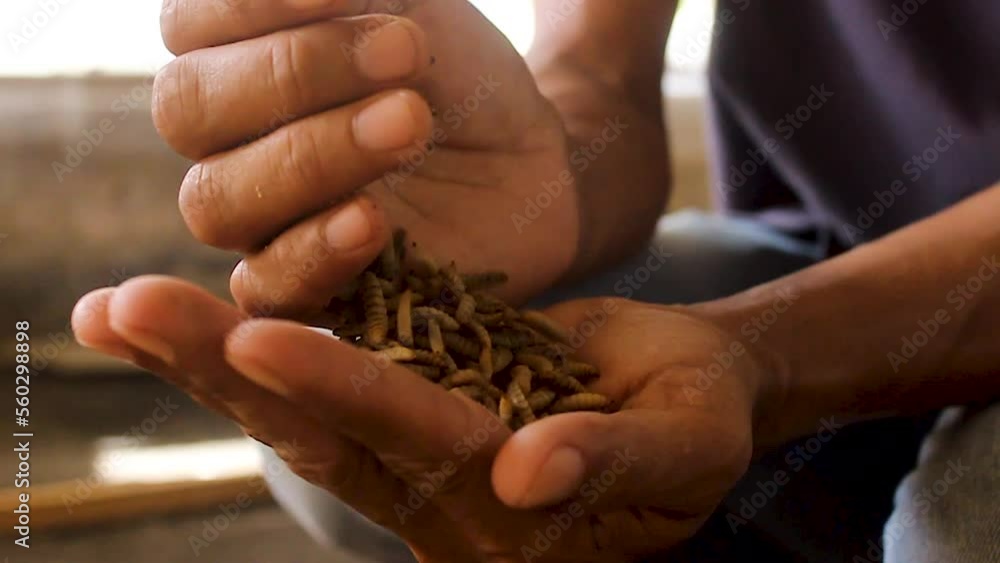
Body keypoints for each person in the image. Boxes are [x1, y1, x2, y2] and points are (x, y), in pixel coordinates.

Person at [73, 1, 999, 561]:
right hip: (835, 238)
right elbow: (600, 73)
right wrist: (543, 173)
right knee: (364, 436)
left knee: (960, 532)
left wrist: (767, 356)